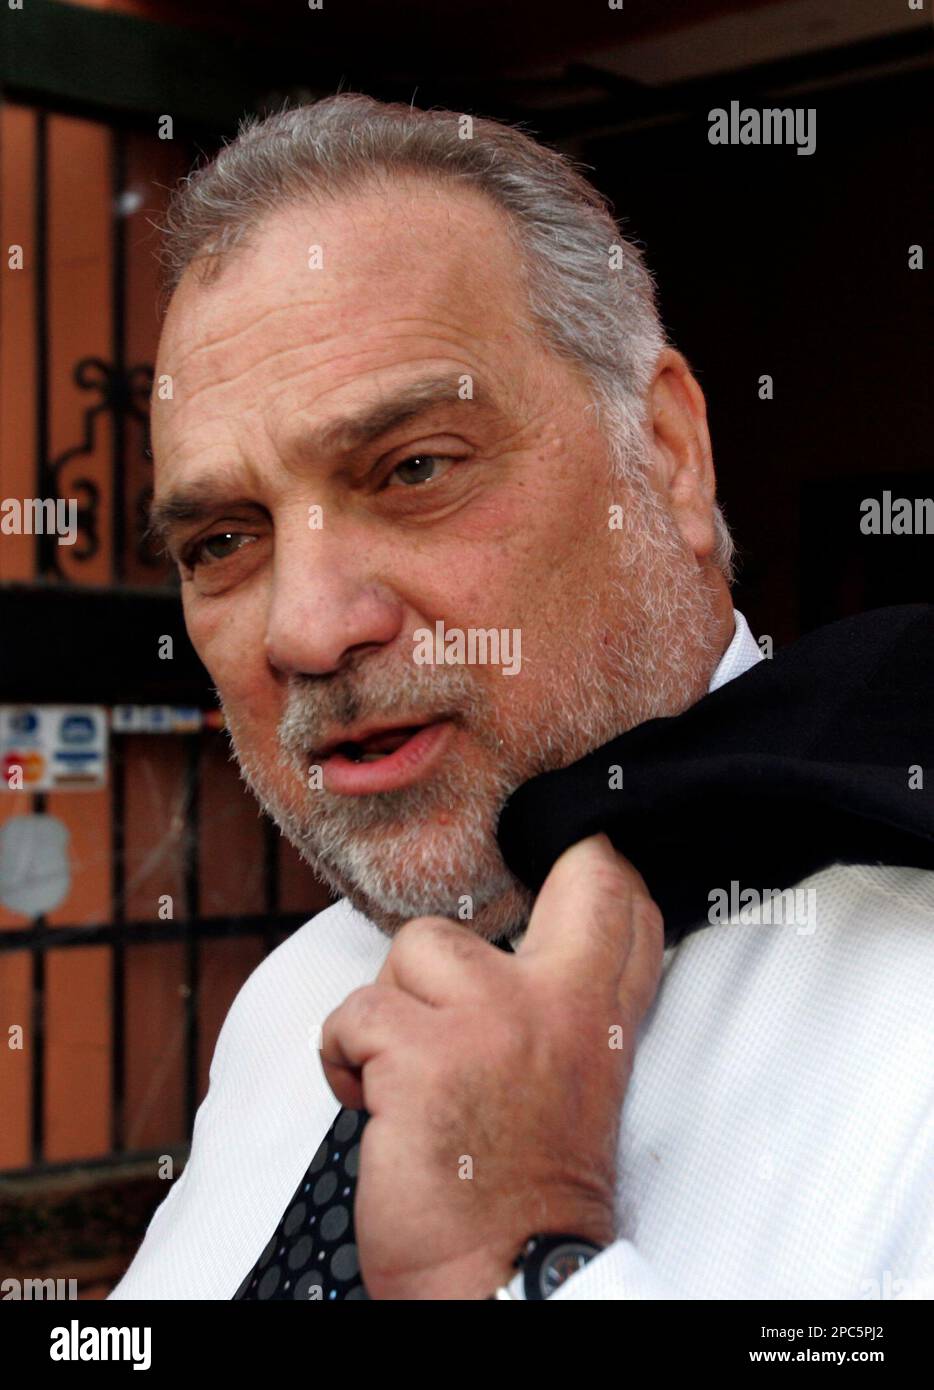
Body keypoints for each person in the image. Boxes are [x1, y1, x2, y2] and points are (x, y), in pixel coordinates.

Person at [108, 95, 933, 1300]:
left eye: (416, 468)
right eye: (224, 540)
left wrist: (523, 1261)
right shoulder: (294, 998)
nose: (306, 628)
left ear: (665, 448)